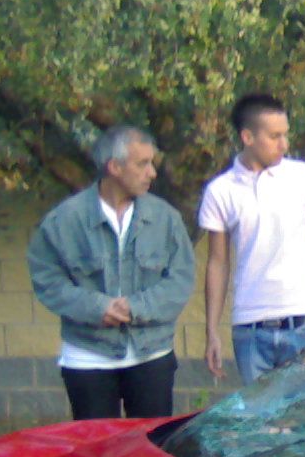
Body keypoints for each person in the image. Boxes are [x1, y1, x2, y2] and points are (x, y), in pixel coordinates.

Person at [27, 125, 194, 420]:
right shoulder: (64, 221)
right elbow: (48, 281)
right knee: (96, 455)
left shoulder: (165, 219)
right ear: (114, 167)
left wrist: (136, 307)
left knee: (152, 451)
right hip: (87, 356)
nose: (152, 173)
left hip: (151, 354)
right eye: (142, 164)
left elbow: (180, 280)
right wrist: (96, 307)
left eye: (152, 163)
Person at [198, 93, 305, 383]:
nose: (284, 144)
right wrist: (211, 331)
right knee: (262, 421)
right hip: (250, 328)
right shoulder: (220, 191)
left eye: (285, 135)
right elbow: (217, 264)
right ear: (247, 137)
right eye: (274, 136)